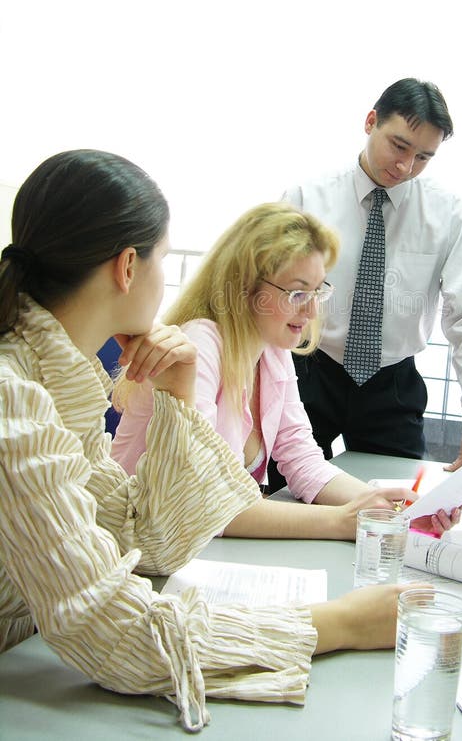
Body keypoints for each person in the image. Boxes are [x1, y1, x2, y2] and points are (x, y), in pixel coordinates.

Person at [0, 150, 425, 732]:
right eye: (163, 257)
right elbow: (113, 634)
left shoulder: (59, 383)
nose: (310, 310)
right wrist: (343, 622)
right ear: (129, 267)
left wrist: (177, 396)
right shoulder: (15, 400)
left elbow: (147, 541)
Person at [112, 202, 458, 539]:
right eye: (297, 293)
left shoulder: (271, 348)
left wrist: (392, 507)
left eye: (318, 291)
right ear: (244, 287)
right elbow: (205, 504)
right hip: (133, 544)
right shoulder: (200, 344)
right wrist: (340, 521)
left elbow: (301, 458)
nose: (311, 312)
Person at [277, 77, 462, 489]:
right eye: (399, 146)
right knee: (284, 497)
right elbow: (265, 296)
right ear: (371, 121)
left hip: (391, 385)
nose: (405, 167)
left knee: (399, 506)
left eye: (423, 157)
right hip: (307, 370)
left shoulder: (450, 216)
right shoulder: (305, 199)